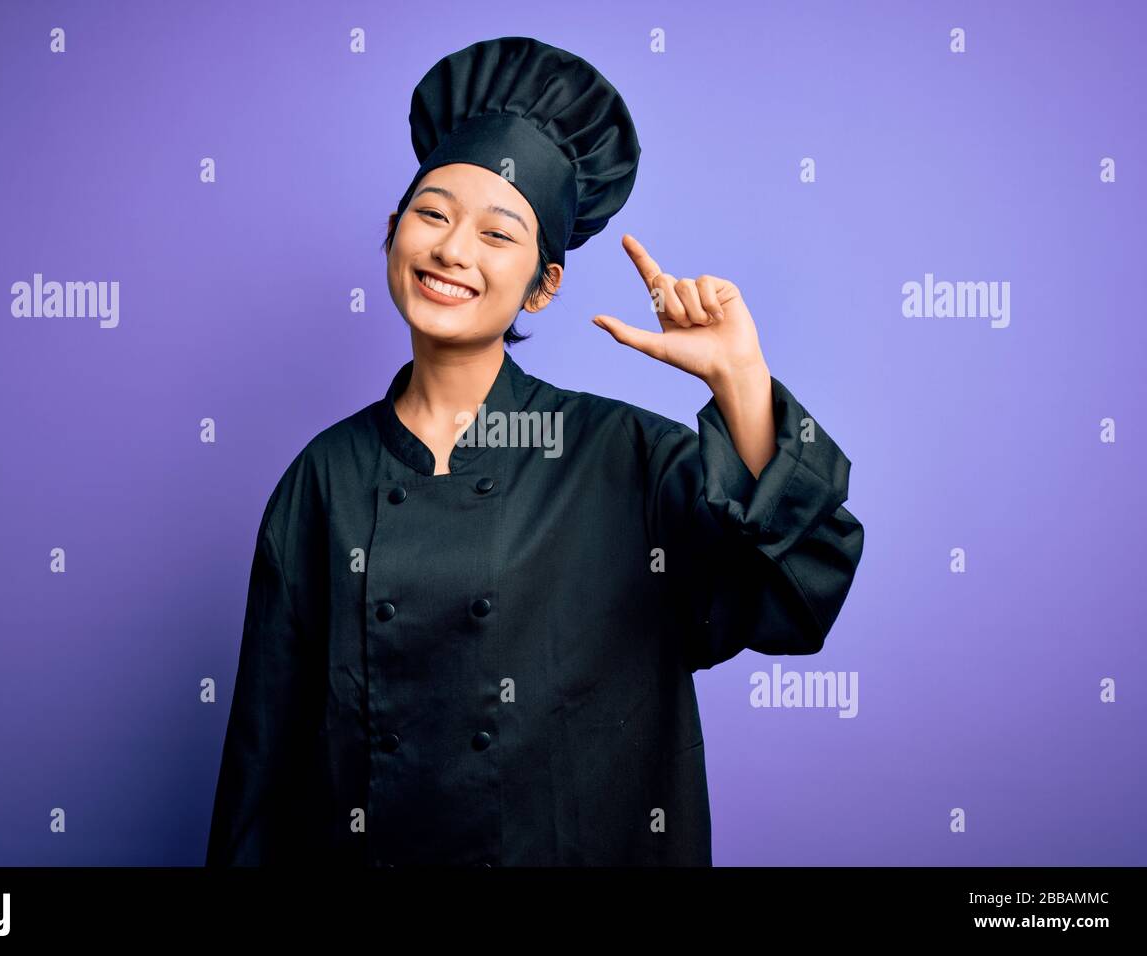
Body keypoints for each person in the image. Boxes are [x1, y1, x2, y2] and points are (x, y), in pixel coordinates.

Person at [205, 36, 864, 867]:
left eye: (498, 234)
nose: (451, 250)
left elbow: (796, 599)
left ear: (543, 285)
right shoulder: (322, 480)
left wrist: (742, 383)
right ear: (396, 232)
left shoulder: (625, 457)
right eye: (433, 214)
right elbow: (261, 769)